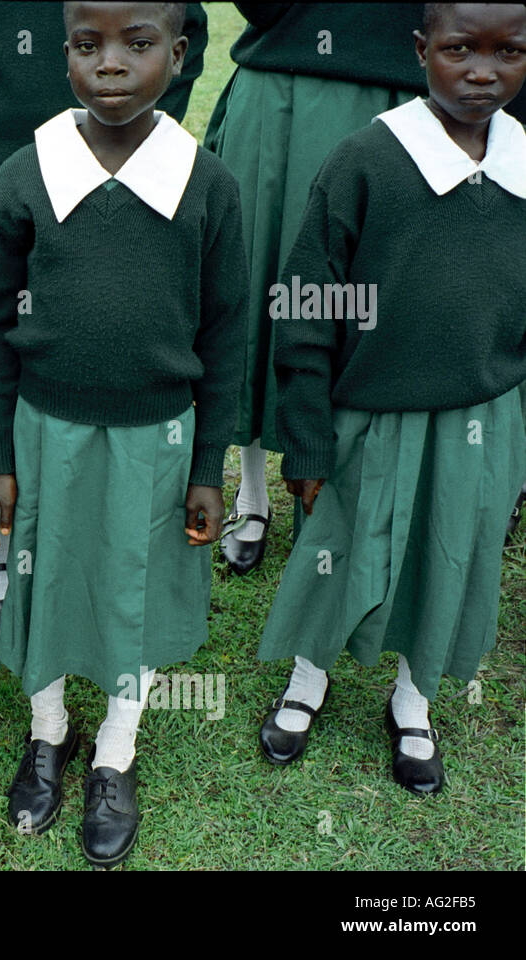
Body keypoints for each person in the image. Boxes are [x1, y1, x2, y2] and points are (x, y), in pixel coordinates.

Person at [0, 1, 246, 866]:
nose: (112, 66)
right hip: (43, 428)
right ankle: (46, 731)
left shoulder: (208, 184)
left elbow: (229, 332)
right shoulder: (27, 173)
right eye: (89, 46)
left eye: (138, 44)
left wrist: (211, 462)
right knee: (45, 579)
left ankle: (116, 751)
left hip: (158, 436)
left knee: (135, 588)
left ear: (180, 50)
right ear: (65, 55)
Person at [256, 2, 526, 797]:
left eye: (507, 52)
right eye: (458, 50)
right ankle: (309, 678)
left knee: (451, 557)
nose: (482, 72)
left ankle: (413, 699)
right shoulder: (366, 161)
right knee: (340, 550)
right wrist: (305, 438)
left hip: (483, 417)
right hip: (369, 414)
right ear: (419, 50)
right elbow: (306, 304)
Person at [0, 0, 208, 622]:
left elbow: (188, 31)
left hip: (108, 179)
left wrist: (145, 142)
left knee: (67, 351)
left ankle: (50, 539)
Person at [202, 2, 430, 576]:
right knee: (263, 298)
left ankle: (354, 502)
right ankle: (252, 496)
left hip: (415, 86)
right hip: (283, 83)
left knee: (375, 309)